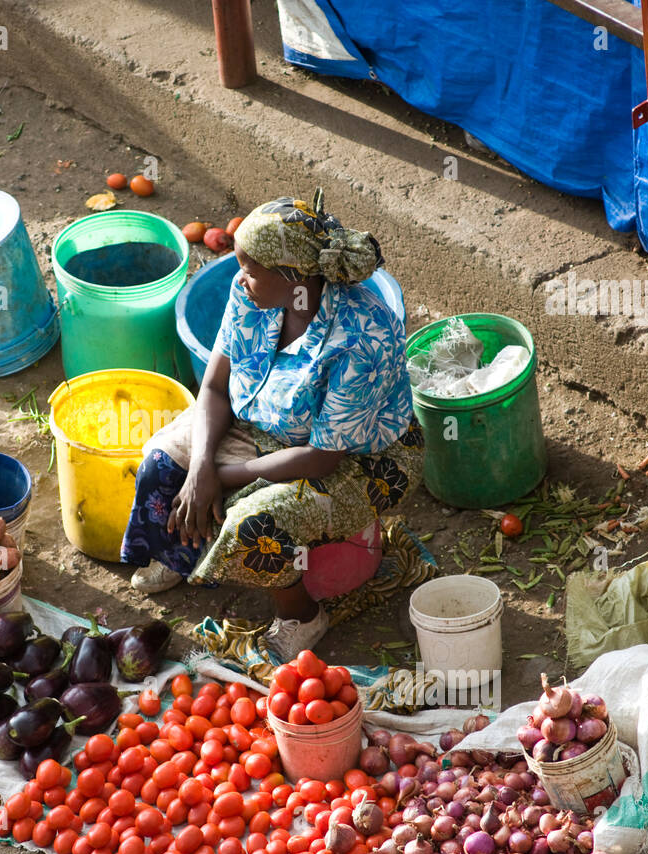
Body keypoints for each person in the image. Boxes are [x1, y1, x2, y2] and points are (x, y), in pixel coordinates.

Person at [120, 189, 425, 660]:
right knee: (164, 462)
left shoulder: (361, 335)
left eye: (249, 269)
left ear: (295, 276)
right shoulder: (251, 296)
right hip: (263, 422)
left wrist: (224, 477)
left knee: (253, 523)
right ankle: (181, 551)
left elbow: (324, 457)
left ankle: (303, 615)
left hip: (360, 459)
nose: (240, 279)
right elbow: (216, 389)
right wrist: (201, 465)